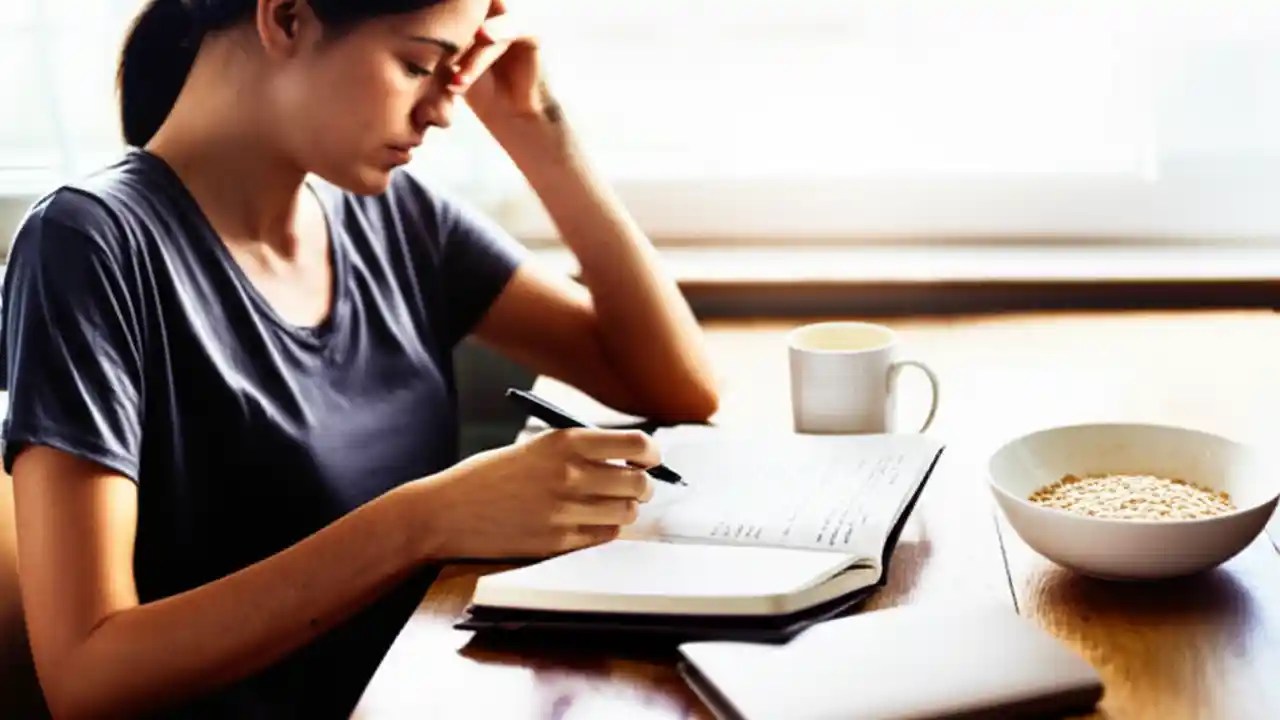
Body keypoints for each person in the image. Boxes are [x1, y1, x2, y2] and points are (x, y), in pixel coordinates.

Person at [0, 0, 718, 716]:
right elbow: (87, 675)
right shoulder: (88, 245)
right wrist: (422, 522)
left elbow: (677, 384)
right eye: (416, 66)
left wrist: (535, 126)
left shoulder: (396, 218)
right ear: (285, 20)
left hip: (429, 689)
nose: (440, 114)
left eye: (452, 75)